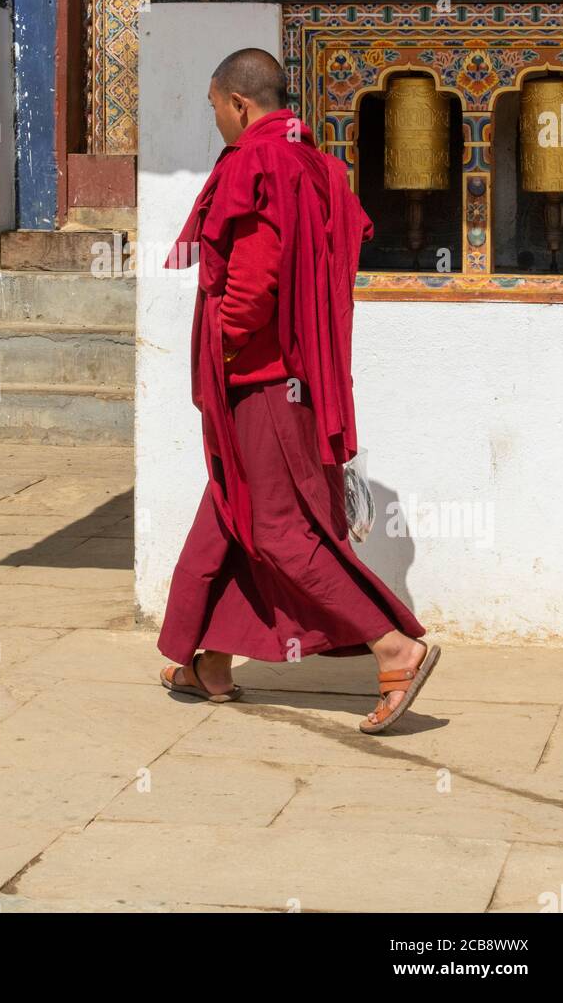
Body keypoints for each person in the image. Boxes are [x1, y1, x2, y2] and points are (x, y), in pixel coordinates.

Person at [157, 48, 440, 734]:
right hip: (293, 381)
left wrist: (220, 351)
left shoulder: (259, 162)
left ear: (239, 104)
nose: (217, 120)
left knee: (278, 530)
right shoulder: (315, 164)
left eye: (216, 107)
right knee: (229, 514)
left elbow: (252, 286)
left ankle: (393, 648)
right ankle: (213, 662)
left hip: (260, 381)